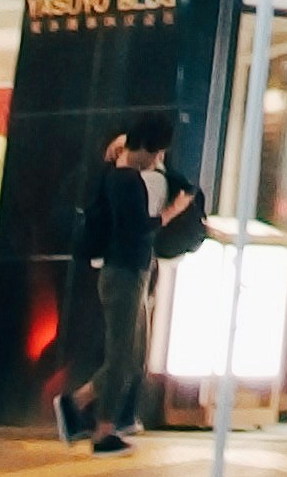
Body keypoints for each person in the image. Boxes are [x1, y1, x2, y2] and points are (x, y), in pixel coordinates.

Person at [55, 110, 204, 451]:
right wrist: (171, 212)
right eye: (159, 152)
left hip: (131, 271)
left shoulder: (124, 175)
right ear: (150, 149)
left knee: (132, 357)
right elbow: (137, 228)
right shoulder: (124, 180)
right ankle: (103, 429)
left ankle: (76, 403)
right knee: (121, 356)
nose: (160, 160)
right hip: (123, 273)